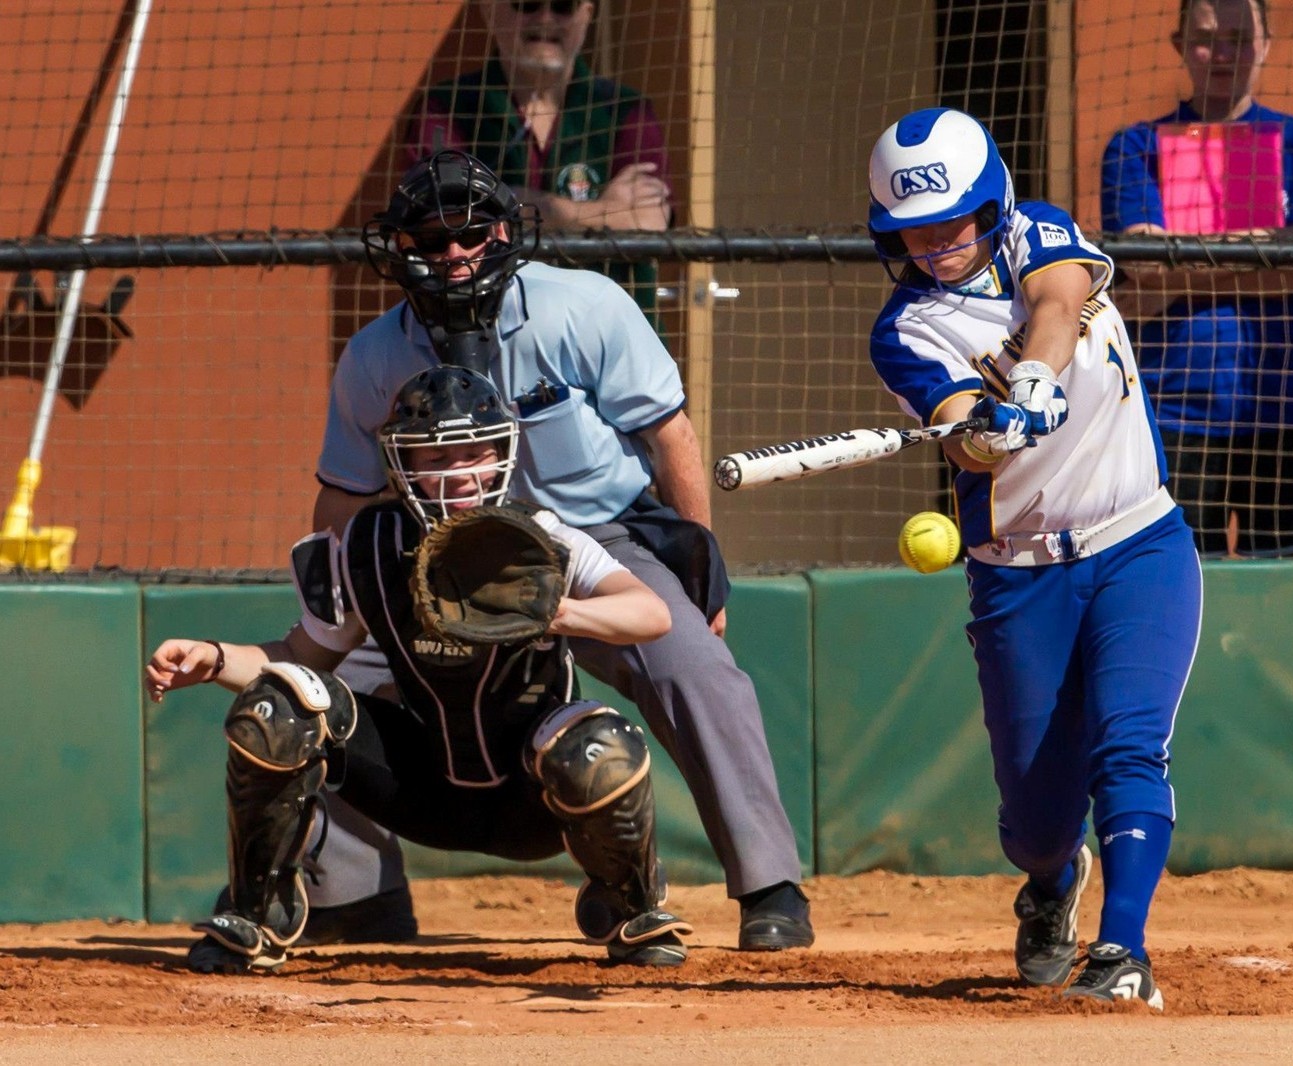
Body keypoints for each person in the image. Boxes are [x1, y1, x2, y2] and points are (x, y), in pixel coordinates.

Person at [312, 149, 814, 952]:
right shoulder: (374, 355)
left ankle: (769, 886)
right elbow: (343, 497)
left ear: (504, 234)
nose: (454, 254)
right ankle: (354, 898)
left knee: (694, 667)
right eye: (431, 240)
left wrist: (700, 571)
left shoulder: (582, 305)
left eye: (471, 234)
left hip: (599, 540)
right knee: (314, 692)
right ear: (399, 249)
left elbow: (669, 437)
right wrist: (332, 603)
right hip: (442, 560)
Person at [146, 364, 693, 973]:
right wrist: (214, 657)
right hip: (419, 785)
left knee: (600, 743)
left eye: (475, 453)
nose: (459, 473)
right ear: (401, 462)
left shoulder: (543, 539)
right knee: (278, 704)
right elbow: (301, 657)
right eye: (436, 458)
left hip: (533, 798)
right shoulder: (367, 546)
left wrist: (555, 613)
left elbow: (651, 614)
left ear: (503, 454)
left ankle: (630, 904)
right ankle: (259, 912)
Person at [866, 107, 1203, 1007]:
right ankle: (1053, 880)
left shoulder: (1036, 233)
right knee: (1036, 821)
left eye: (953, 223)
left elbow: (1057, 301)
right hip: (1017, 573)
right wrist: (986, 435)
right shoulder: (905, 331)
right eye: (914, 231)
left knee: (1129, 747)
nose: (937, 245)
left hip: (1137, 542)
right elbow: (956, 433)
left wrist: (1031, 380)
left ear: (991, 206)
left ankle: (1121, 951)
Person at [1101, 0, 1293, 556]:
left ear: (1267, 44)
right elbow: (1146, 263)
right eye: (1207, 37)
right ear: (1179, 45)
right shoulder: (1135, 146)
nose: (1223, 54)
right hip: (1172, 411)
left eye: (1239, 38)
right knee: (1179, 582)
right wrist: (1274, 252)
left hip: (1289, 408)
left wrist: (1175, 279)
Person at [404, 0, 671, 317]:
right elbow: (445, 215)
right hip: (485, 327)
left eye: (563, 6)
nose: (545, 19)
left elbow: (650, 221)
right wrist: (601, 212)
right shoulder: (447, 108)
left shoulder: (624, 110)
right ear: (489, 11)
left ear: (587, 13)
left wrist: (510, 204)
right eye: (526, 4)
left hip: (609, 328)